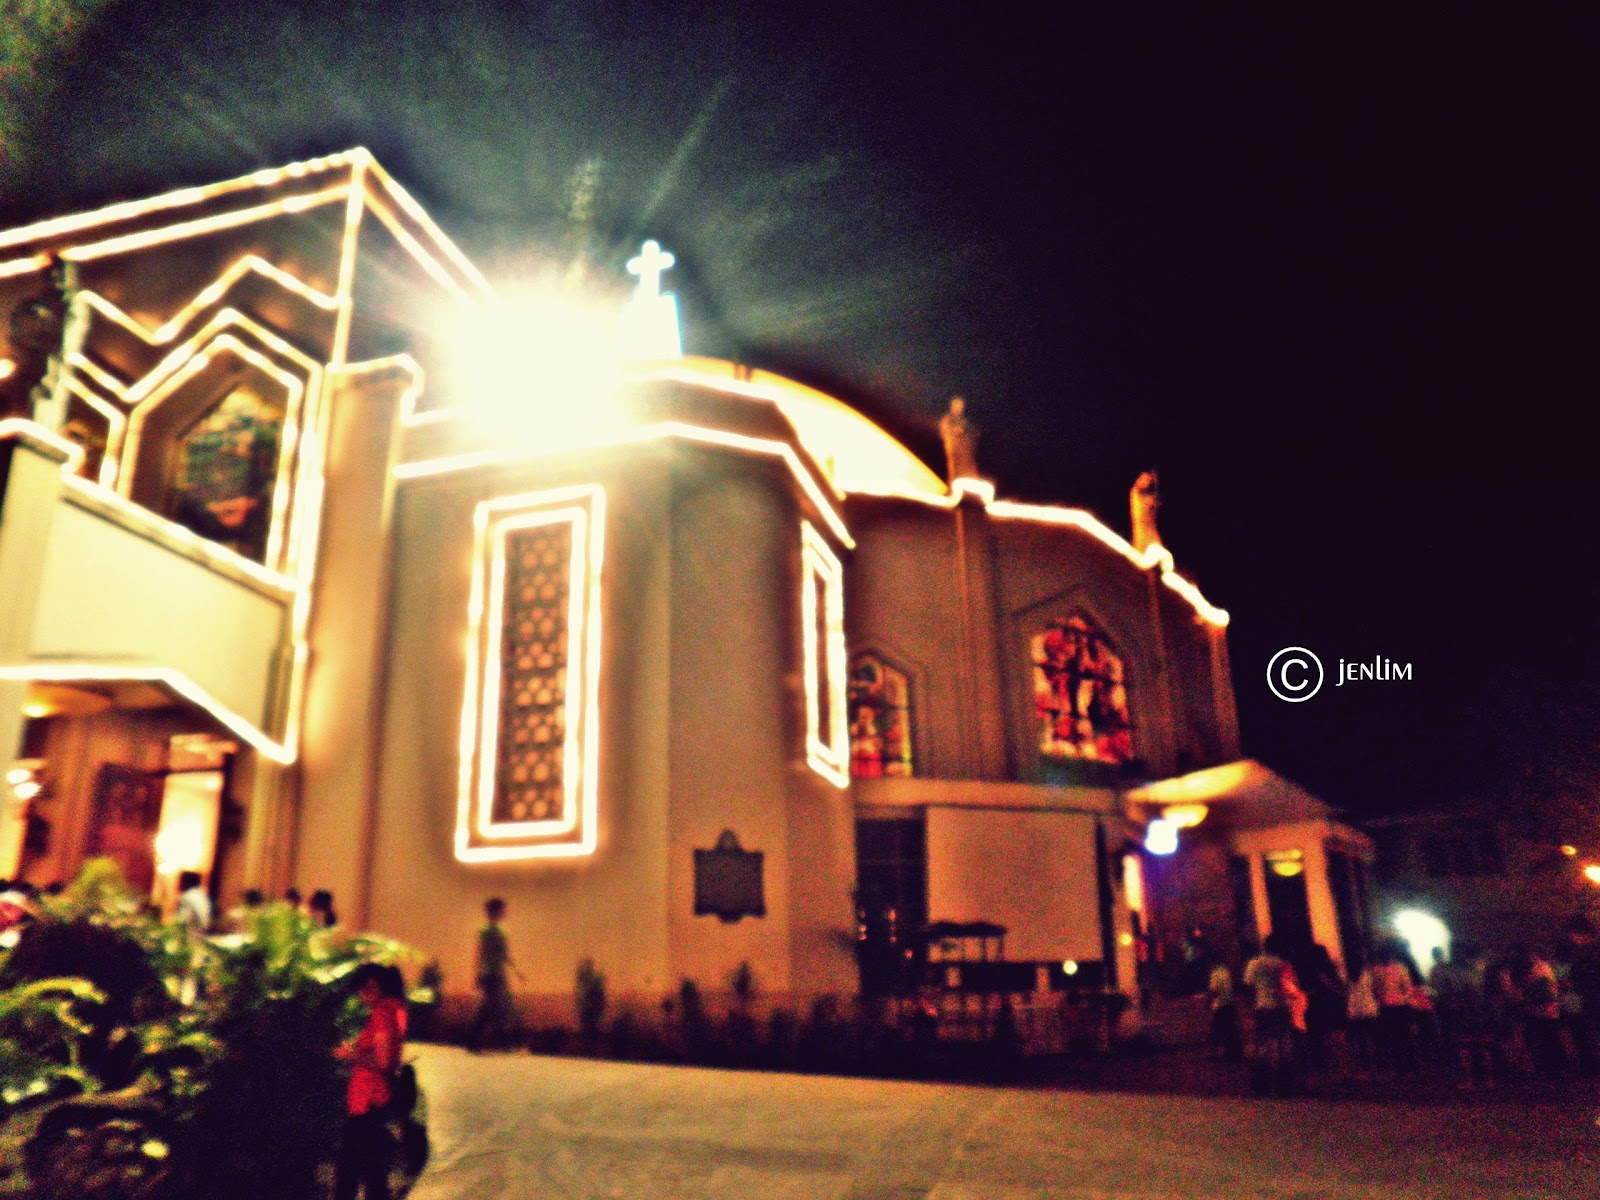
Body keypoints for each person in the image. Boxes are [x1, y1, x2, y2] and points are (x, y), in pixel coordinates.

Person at [334, 963, 407, 1200]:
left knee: (350, 1165)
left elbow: (383, 1061)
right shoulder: (396, 1010)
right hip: (375, 1099)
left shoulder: (383, 1013)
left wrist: (349, 1055)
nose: (359, 996)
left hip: (368, 1099)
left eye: (360, 990)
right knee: (371, 1166)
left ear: (372, 987)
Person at [1242, 934, 1299, 1096]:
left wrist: (1250, 1009)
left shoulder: (1254, 964)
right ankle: (1285, 1085)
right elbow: (1291, 988)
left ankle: (1261, 1085)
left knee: (1263, 1047)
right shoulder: (1283, 965)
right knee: (1283, 1046)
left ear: (1264, 947)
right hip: (1280, 1008)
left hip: (1262, 1007)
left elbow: (1248, 987)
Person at [467, 897, 521, 1052]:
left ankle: (476, 1041)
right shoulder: (487, 932)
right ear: (496, 911)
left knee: (492, 1007)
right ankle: (501, 1043)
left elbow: (503, 955)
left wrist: (516, 970)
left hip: (496, 973)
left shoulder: (498, 932)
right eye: (502, 909)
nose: (505, 912)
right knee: (496, 1007)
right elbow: (481, 953)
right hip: (492, 974)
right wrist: (477, 973)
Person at [1208, 959, 1244, 1063]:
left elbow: (1214, 989)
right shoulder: (1226, 972)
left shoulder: (1215, 974)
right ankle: (1234, 1053)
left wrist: (1208, 999)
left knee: (1217, 1030)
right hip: (1229, 1003)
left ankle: (1216, 1055)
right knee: (1231, 1029)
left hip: (1219, 1004)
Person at [173, 870, 212, 934]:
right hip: (202, 933)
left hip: (192, 935)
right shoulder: (201, 895)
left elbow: (181, 921)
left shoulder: (187, 897)